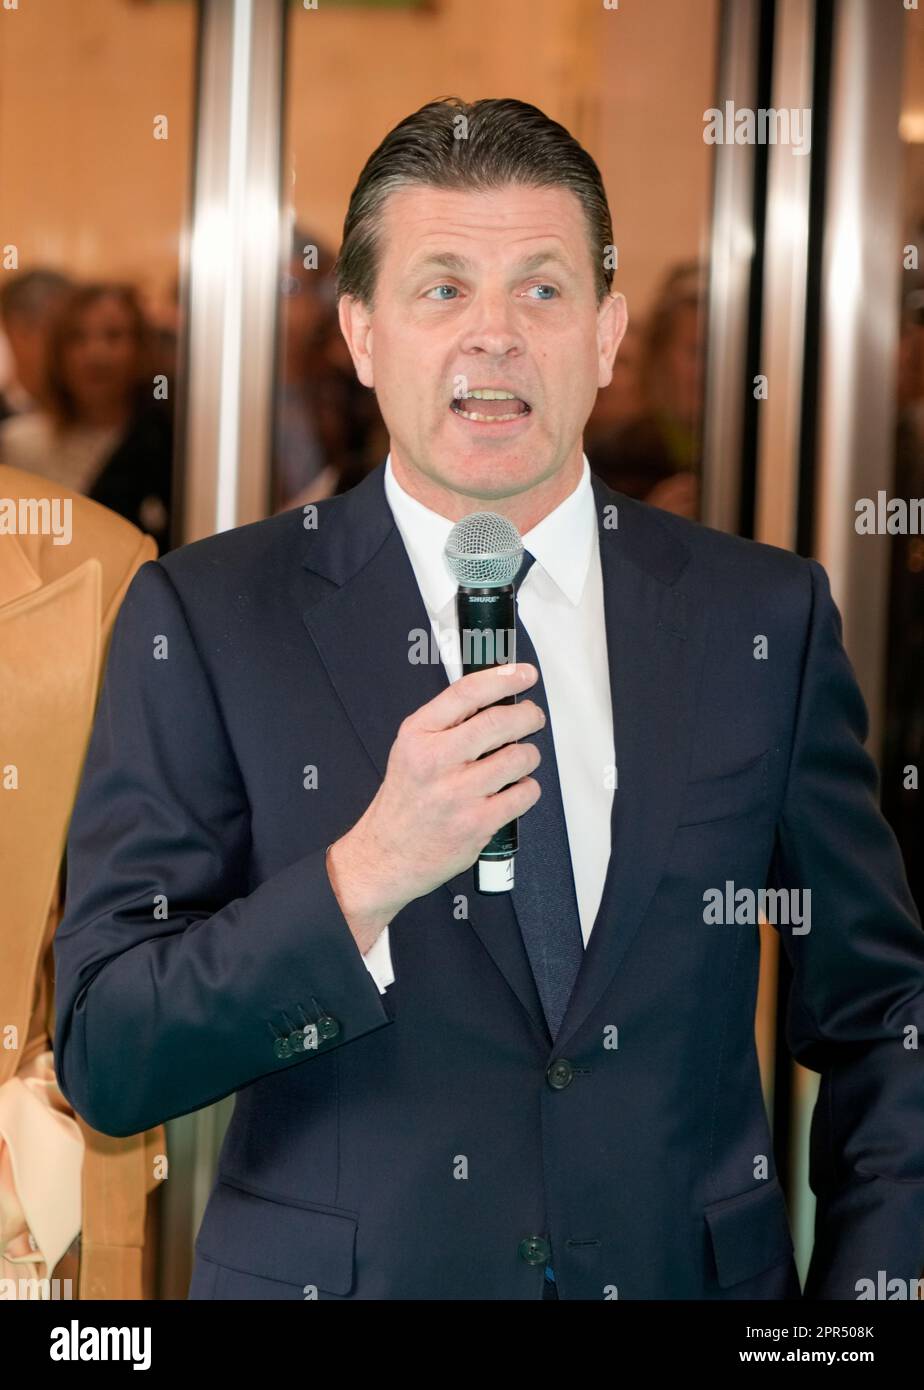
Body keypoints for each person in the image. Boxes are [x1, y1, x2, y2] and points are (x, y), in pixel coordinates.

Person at [53, 96, 924, 1301]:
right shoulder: (210, 618)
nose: (496, 336)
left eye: (545, 290)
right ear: (361, 334)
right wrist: (364, 876)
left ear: (609, 335)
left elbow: (884, 1015)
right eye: (443, 288)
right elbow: (109, 1048)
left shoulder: (758, 620)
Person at [0, 282, 173, 553]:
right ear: (58, 353)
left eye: (113, 336)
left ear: (140, 349)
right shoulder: (18, 444)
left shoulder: (165, 446)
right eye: (77, 338)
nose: (96, 354)